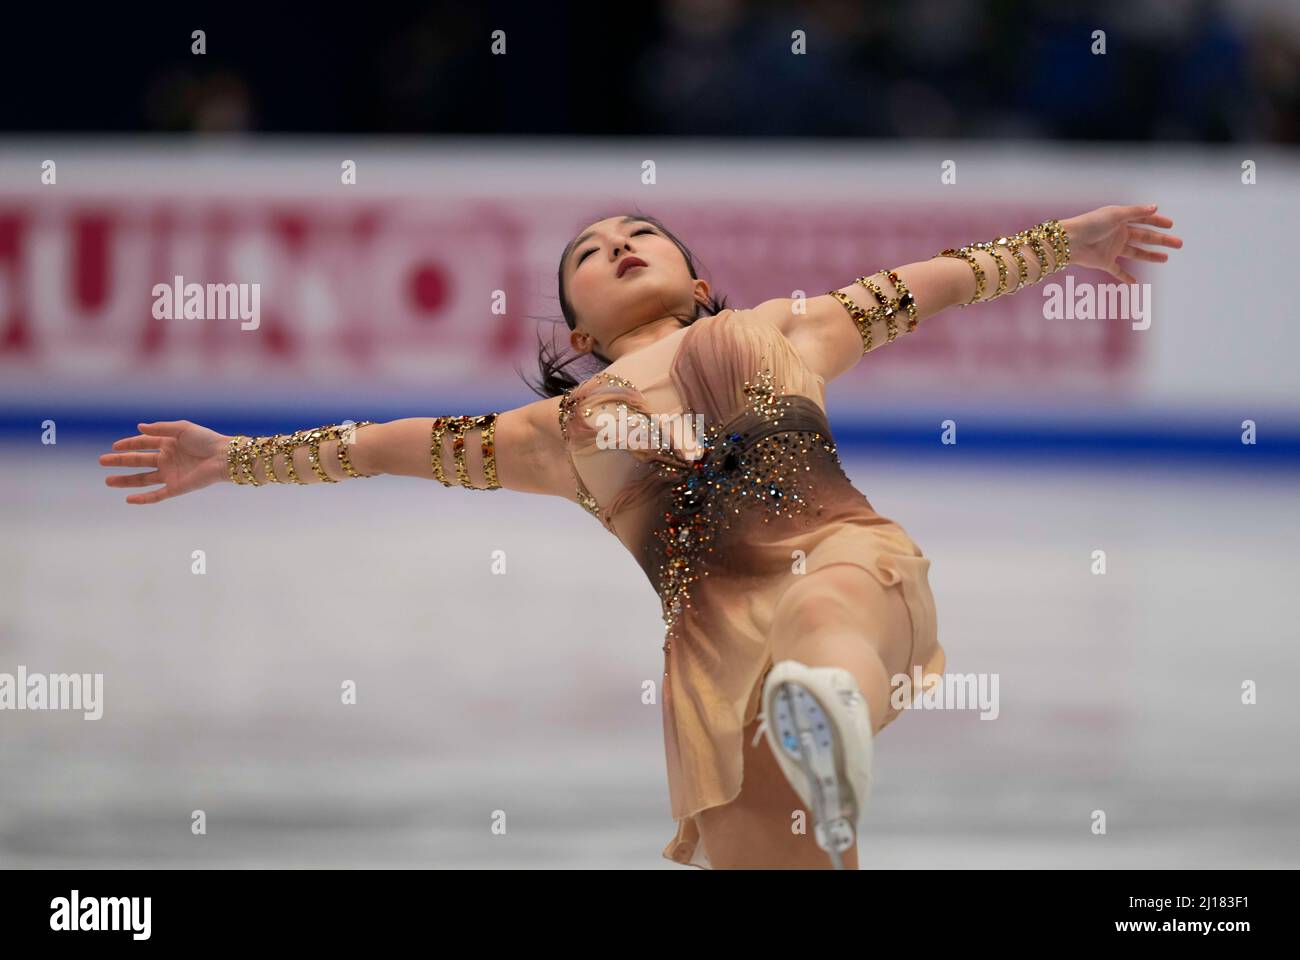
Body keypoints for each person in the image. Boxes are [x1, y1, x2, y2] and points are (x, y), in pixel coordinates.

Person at [99, 204, 1182, 869]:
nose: (616, 246)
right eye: (589, 251)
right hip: (708, 676)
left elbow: (939, 283)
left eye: (640, 235)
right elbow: (381, 445)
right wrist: (234, 456)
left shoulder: (783, 329)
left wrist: (1066, 245)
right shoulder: (550, 435)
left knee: (825, 608)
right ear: (574, 330)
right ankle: (813, 738)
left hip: (840, 566)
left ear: (700, 282)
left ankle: (828, 711)